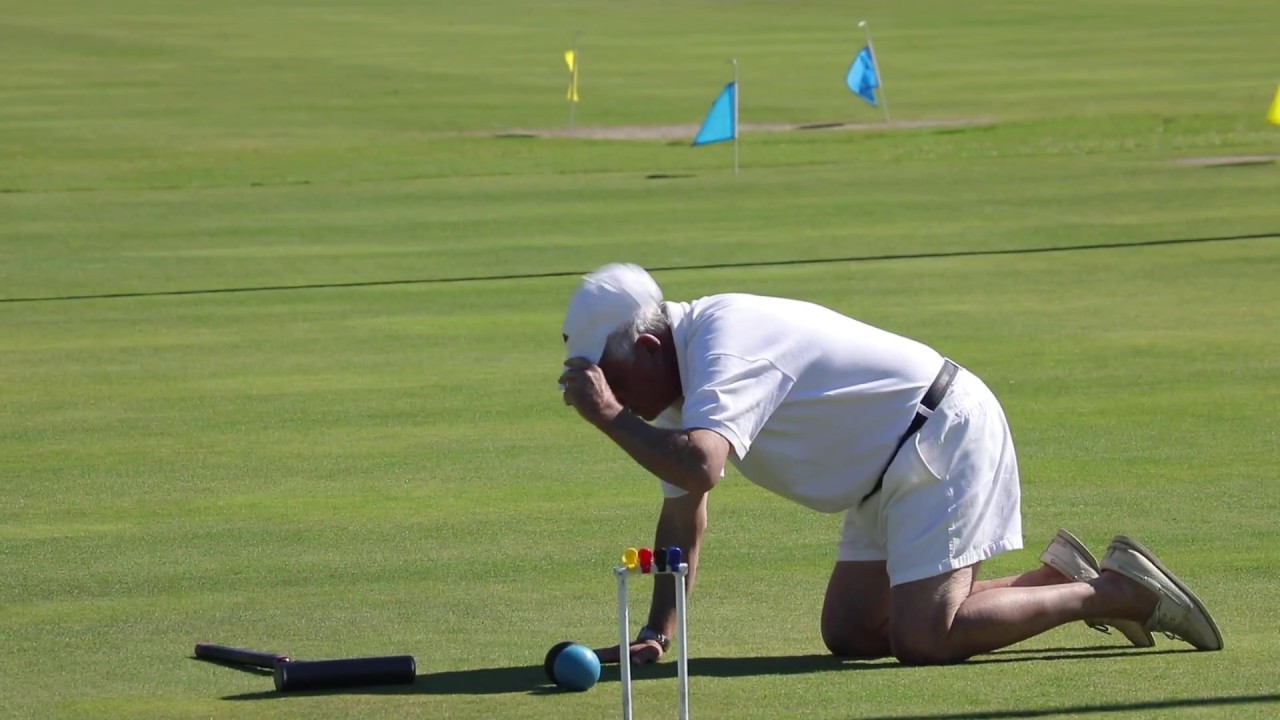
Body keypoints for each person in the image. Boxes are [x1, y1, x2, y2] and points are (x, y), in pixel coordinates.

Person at [558, 262, 1222, 666]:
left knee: (924, 639)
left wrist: (610, 418)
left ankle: (1118, 592)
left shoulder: (722, 340)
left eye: (611, 380)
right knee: (851, 632)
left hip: (939, 433)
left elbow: (700, 466)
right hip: (885, 471)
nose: (615, 399)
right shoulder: (678, 385)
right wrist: (656, 633)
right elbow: (683, 512)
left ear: (647, 345)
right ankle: (1052, 579)